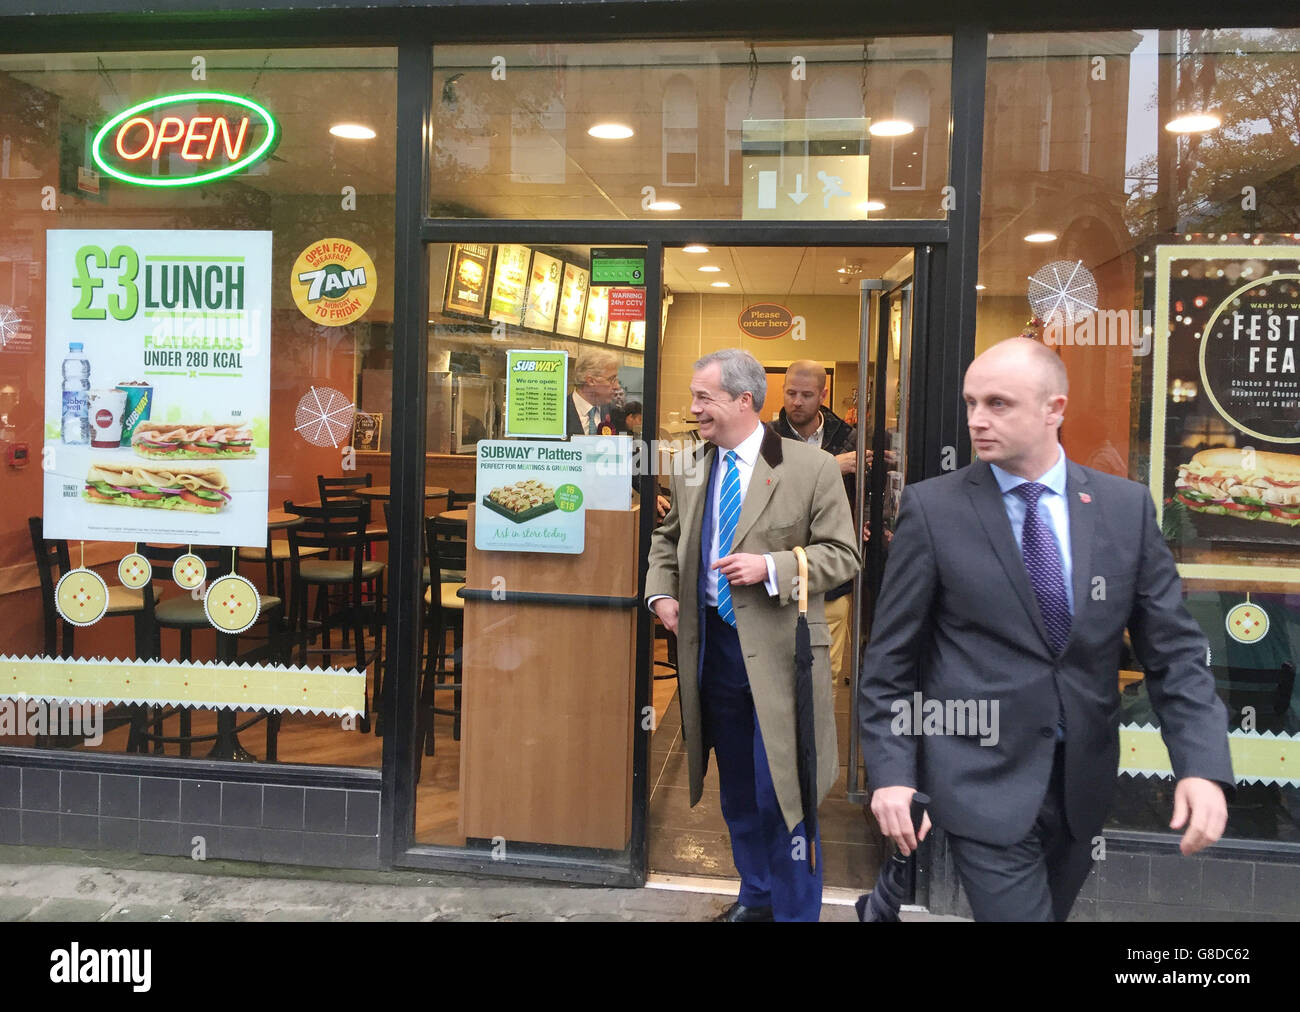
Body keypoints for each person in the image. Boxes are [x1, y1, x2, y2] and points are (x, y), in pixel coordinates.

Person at [859, 336, 1233, 922]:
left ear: (1054, 409)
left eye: (999, 404)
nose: (977, 421)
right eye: (971, 403)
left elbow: (1175, 652)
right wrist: (891, 775)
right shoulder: (934, 510)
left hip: (1080, 782)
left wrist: (1202, 766)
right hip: (976, 776)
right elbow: (890, 662)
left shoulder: (1123, 508)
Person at [646, 348, 860, 922]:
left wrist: (773, 568)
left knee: (784, 798)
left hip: (782, 661)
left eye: (703, 397)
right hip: (714, 654)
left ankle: (794, 913)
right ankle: (757, 896)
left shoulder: (810, 468)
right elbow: (668, 540)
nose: (693, 409)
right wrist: (661, 593)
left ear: (744, 401)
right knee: (738, 794)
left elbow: (843, 557)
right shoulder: (691, 466)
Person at [773, 360, 860, 691]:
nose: (796, 401)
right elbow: (763, 490)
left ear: (823, 394)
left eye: (807, 395)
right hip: (777, 572)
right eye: (791, 393)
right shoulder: (766, 439)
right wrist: (830, 467)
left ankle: (816, 742)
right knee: (780, 676)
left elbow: (863, 495)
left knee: (826, 675)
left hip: (830, 577)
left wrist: (862, 523)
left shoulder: (849, 436)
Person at [566, 348, 625, 436]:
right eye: (612, 379)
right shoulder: (559, 412)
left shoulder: (615, 413)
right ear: (591, 381)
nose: (617, 386)